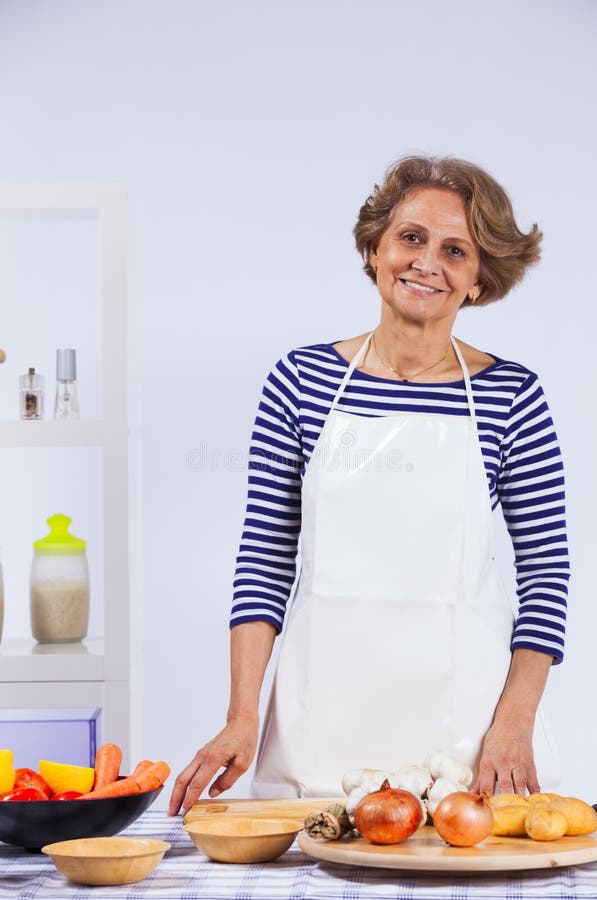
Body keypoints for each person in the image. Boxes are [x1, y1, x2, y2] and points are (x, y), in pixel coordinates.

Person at [169, 155, 569, 816]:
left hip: (466, 737)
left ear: (479, 280)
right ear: (376, 247)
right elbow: (264, 559)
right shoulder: (299, 382)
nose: (425, 262)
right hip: (319, 727)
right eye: (411, 238)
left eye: (455, 250)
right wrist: (242, 718)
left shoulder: (511, 396)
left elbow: (547, 572)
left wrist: (514, 724)